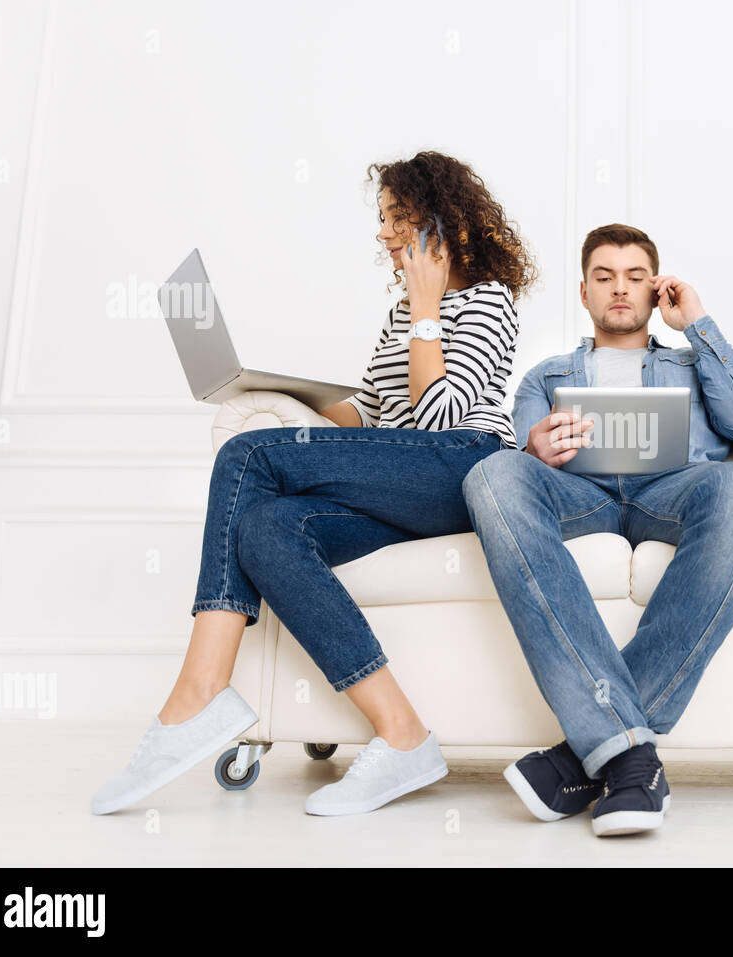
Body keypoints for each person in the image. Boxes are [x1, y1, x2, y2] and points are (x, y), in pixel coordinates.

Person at [91, 151, 537, 817]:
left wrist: (425, 306)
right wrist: (279, 398)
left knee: (246, 458)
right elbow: (371, 414)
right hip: (401, 477)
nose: (384, 233)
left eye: (398, 217)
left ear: (444, 222)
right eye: (382, 219)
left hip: (462, 467)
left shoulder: (487, 301)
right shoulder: (399, 317)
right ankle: (403, 733)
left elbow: (436, 420)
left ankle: (201, 690)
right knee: (266, 528)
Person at [463, 224, 733, 836]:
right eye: (604, 277)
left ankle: (595, 748)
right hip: (583, 495)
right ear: (584, 292)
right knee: (492, 473)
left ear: (656, 289)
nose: (619, 289)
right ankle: (629, 753)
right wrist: (534, 444)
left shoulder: (690, 361)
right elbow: (526, 458)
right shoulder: (546, 375)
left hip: (670, 491)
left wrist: (699, 326)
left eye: (635, 277)